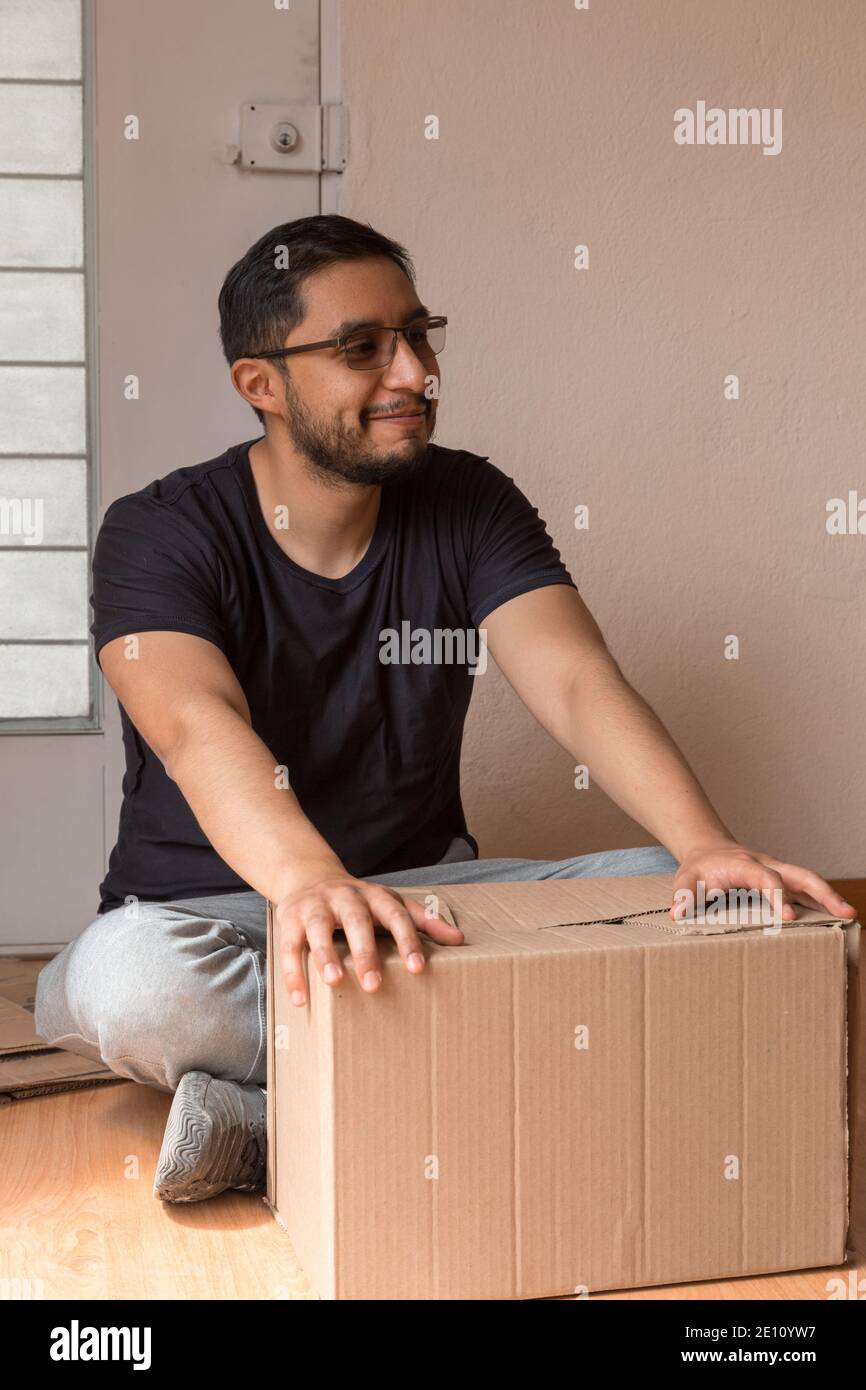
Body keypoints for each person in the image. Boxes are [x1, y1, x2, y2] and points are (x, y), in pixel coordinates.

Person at [34, 214, 856, 1205]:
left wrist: (703, 841)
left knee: (657, 883)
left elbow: (572, 677)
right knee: (136, 987)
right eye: (361, 349)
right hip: (213, 917)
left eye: (418, 336)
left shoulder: (469, 500)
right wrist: (305, 884)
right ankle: (458, 1082)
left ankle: (277, 1115)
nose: (411, 372)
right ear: (261, 384)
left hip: (425, 914)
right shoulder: (158, 529)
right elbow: (193, 724)